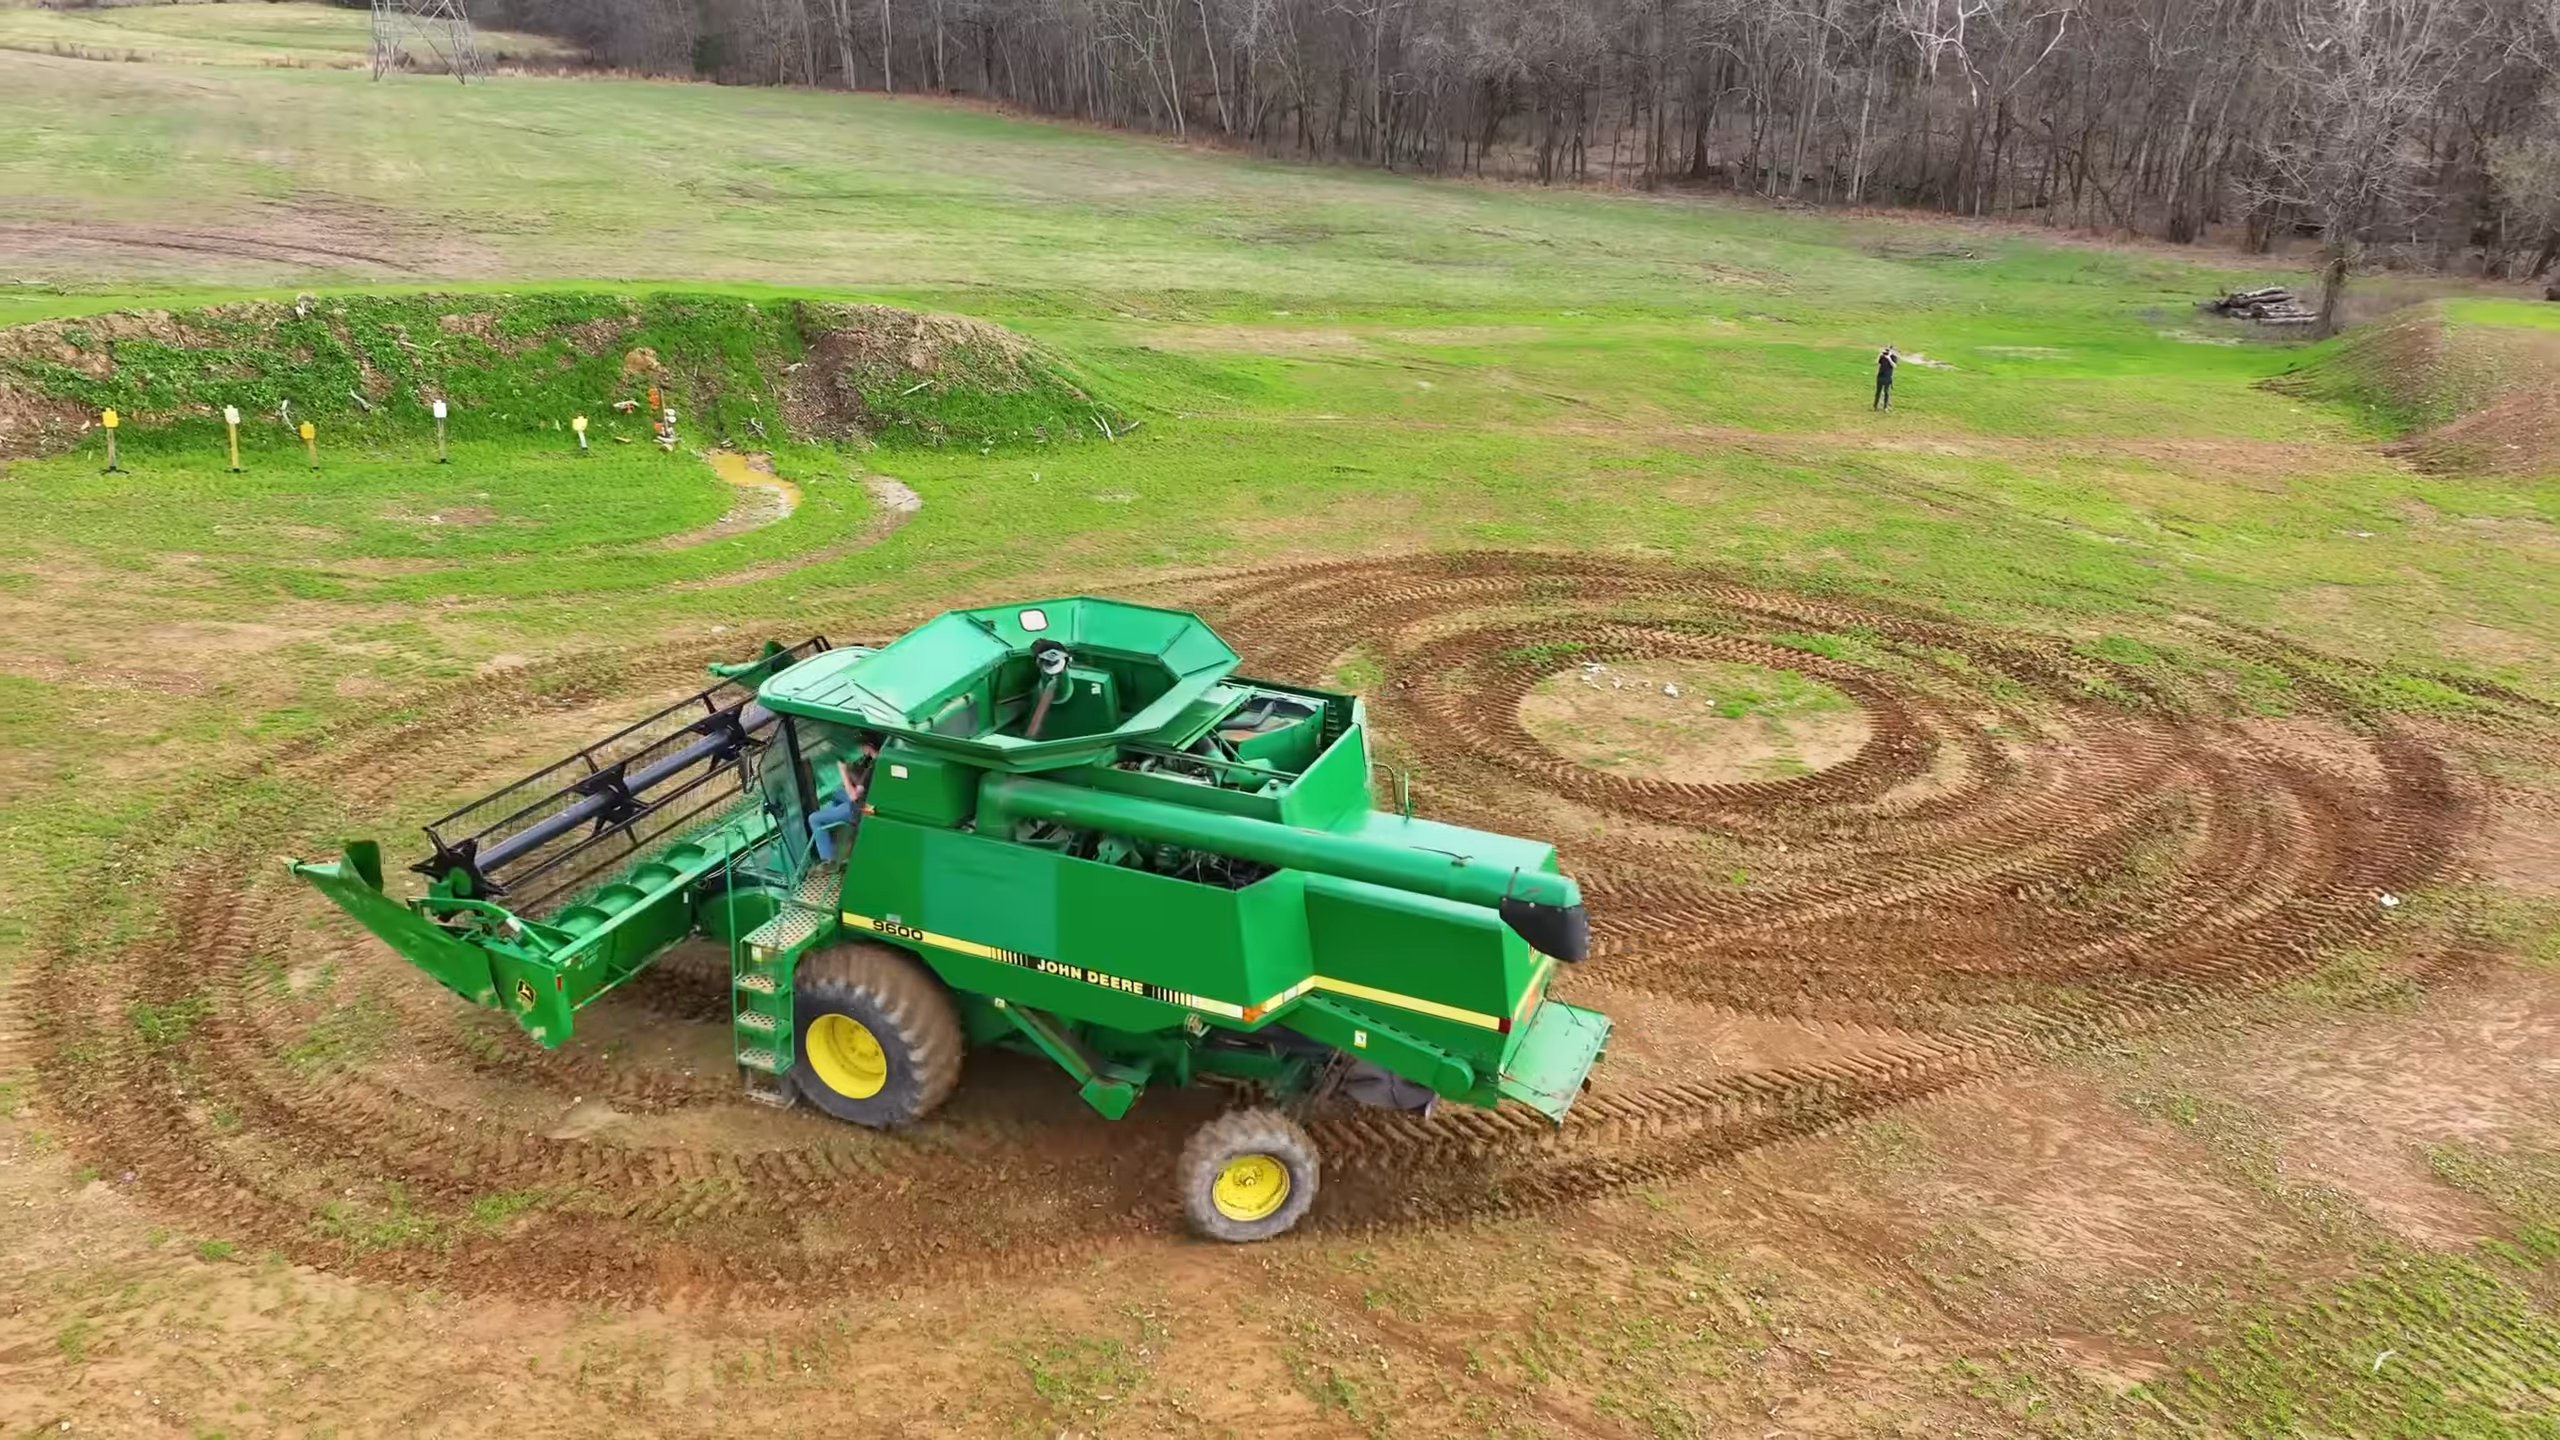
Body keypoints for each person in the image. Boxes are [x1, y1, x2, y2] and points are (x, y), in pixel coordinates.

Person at [805, 738, 878, 865]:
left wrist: (843, 770)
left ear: (868, 746)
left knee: (814, 819)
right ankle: (835, 833)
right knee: (837, 792)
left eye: (861, 747)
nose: (860, 751)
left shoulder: (873, 768)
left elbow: (853, 796)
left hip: (862, 809)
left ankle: (828, 861)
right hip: (867, 801)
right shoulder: (877, 759)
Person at [1873, 346, 1898, 411]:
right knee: (1878, 391)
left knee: (1886, 392)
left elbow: (1894, 366)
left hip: (1887, 377)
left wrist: (1889, 358)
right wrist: (1880, 355)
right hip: (1880, 376)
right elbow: (1876, 362)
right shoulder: (1882, 356)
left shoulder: (1893, 357)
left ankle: (1885, 407)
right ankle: (1875, 406)